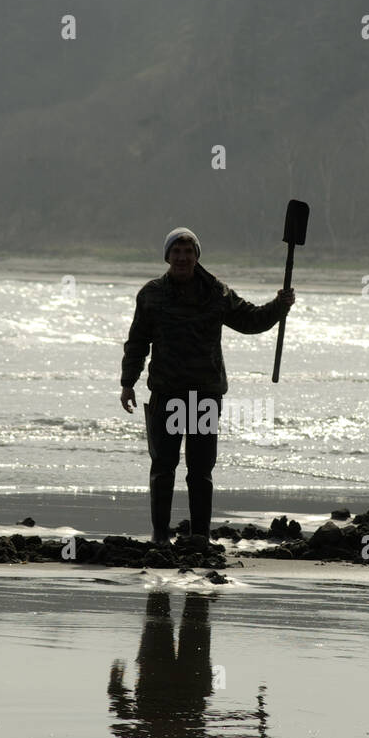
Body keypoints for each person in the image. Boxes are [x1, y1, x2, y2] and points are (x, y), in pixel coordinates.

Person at [120, 227, 294, 543]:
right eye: (177, 252)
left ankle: (199, 536)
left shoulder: (216, 293)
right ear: (168, 256)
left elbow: (251, 321)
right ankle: (160, 535)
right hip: (166, 392)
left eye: (189, 252)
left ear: (197, 256)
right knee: (163, 467)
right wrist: (128, 382)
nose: (183, 258)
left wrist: (279, 306)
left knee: (200, 472)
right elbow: (137, 342)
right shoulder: (152, 294)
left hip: (203, 395)